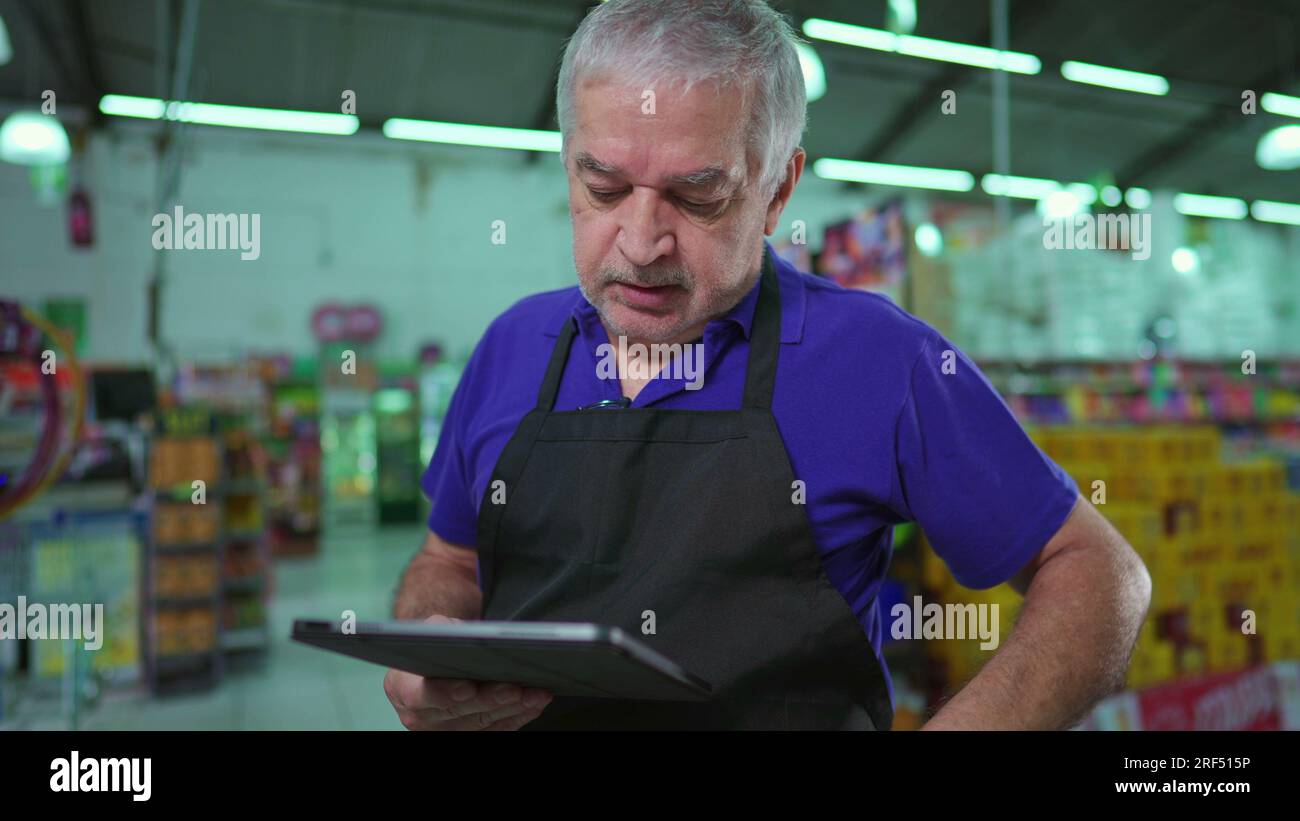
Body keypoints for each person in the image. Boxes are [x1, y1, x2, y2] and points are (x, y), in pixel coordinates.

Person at [384, 0, 1151, 731]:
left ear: (778, 188)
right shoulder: (511, 348)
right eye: (605, 187)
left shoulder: (881, 362)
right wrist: (426, 646)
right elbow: (447, 558)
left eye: (698, 195)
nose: (642, 241)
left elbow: (1097, 570)